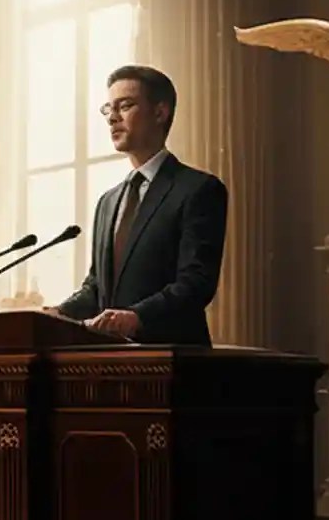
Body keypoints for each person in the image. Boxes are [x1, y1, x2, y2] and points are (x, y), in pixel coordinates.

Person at [46, 65, 228, 346]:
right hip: (110, 363)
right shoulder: (108, 202)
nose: (112, 118)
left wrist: (136, 316)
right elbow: (96, 288)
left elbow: (196, 282)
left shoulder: (198, 189)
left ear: (159, 112)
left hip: (174, 361)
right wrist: (56, 314)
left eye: (125, 106)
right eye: (108, 109)